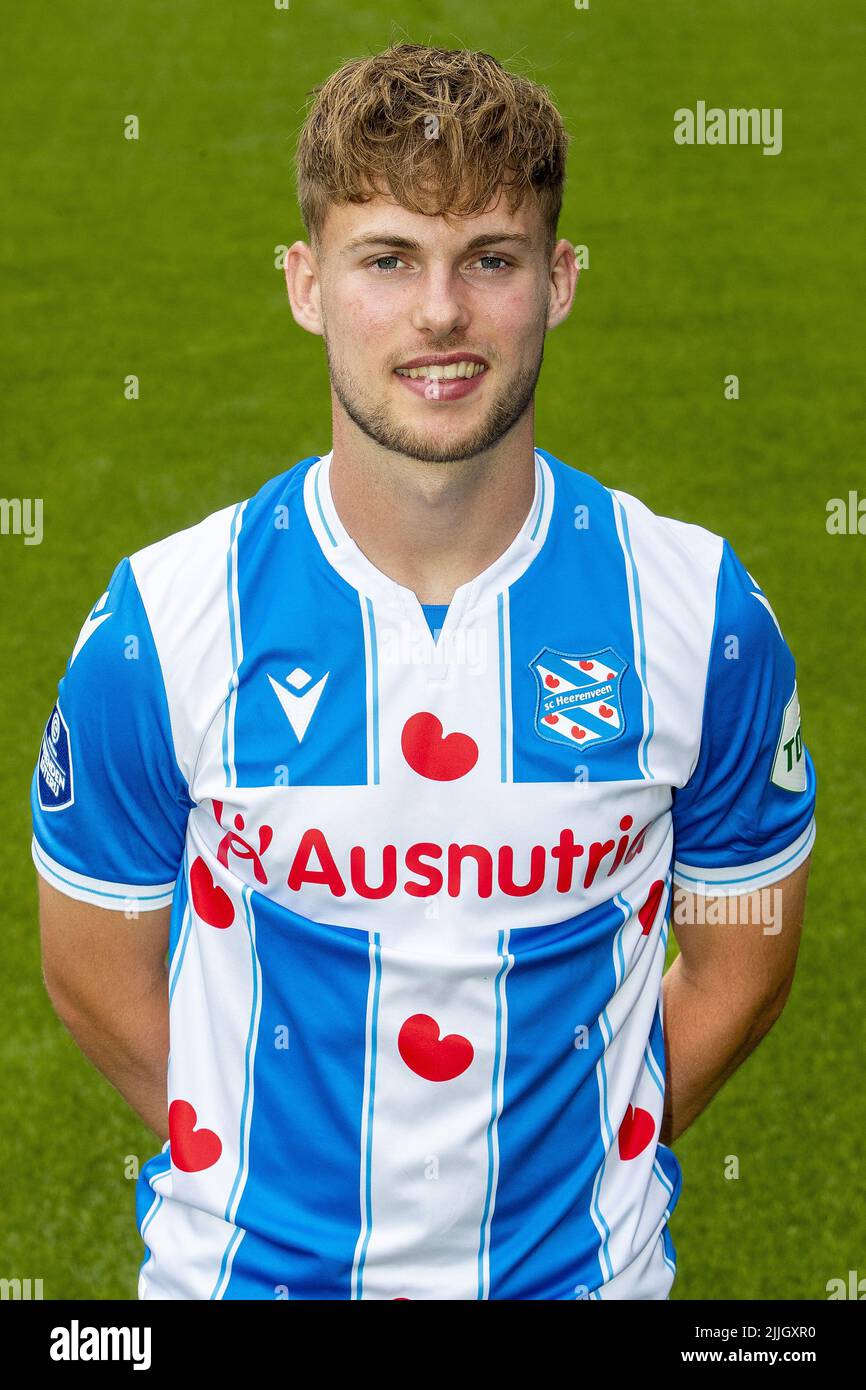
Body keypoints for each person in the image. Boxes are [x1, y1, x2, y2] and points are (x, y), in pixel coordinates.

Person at [30, 42, 816, 1301]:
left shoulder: (698, 612)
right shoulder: (162, 623)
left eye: (488, 259)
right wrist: (262, 1163)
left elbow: (744, 954)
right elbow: (91, 964)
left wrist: (588, 1160)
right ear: (305, 283)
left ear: (558, 281)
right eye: (387, 258)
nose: (439, 314)